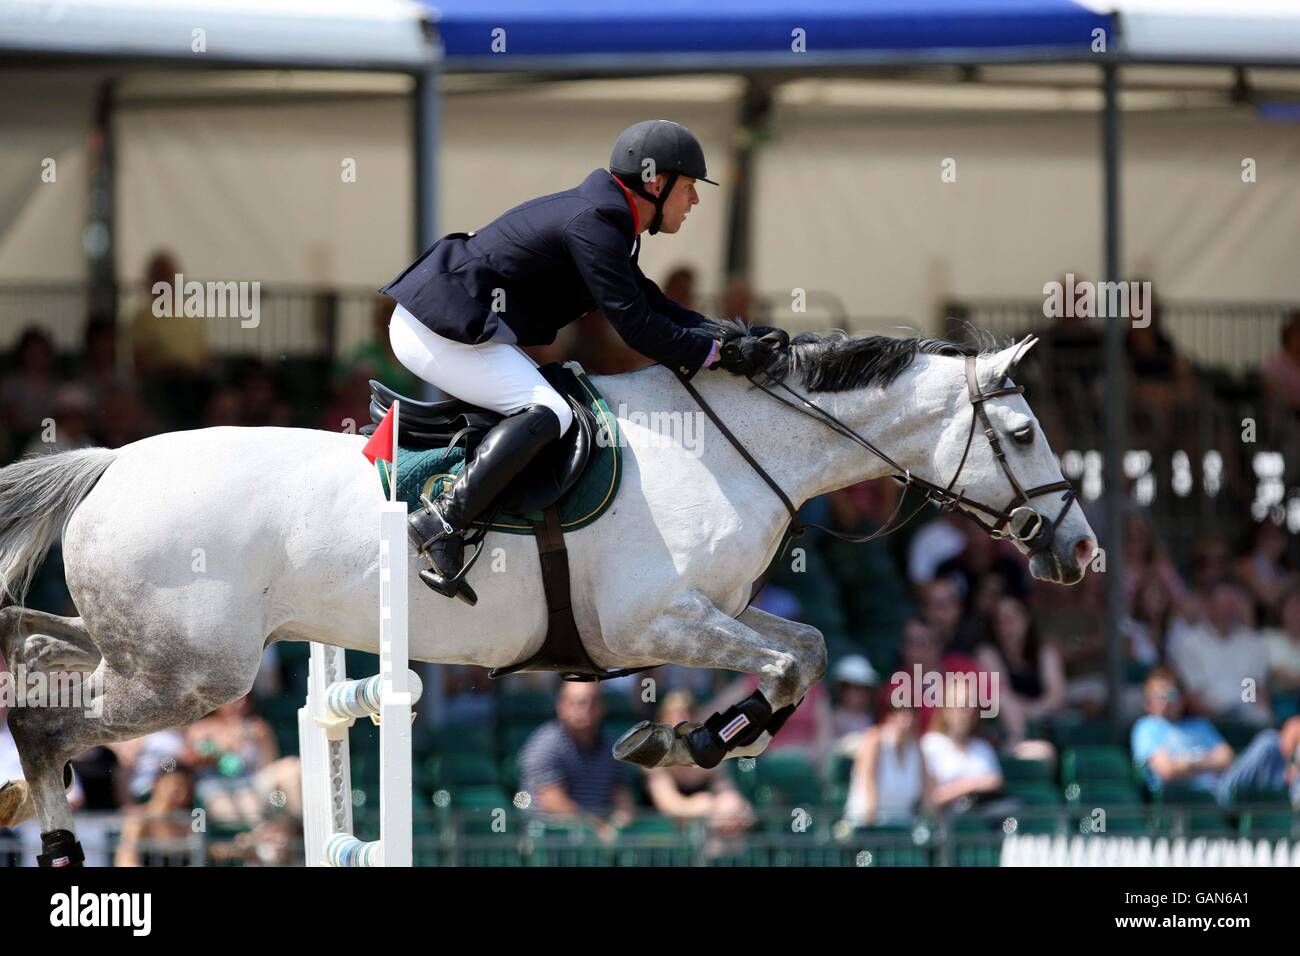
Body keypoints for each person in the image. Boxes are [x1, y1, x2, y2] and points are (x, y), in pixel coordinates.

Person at [384, 121, 770, 603]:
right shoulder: (595, 223)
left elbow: (650, 300)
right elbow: (637, 326)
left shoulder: (611, 221)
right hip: (434, 327)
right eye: (689, 188)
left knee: (551, 405)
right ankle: (442, 520)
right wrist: (717, 355)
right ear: (656, 182)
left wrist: (732, 336)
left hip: (455, 324)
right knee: (549, 411)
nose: (694, 201)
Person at [1131, 667, 1300, 808]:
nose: (1166, 701)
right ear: (1148, 701)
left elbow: (1227, 758)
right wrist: (1208, 762)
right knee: (1268, 741)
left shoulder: (1198, 725)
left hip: (1224, 785)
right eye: (1159, 696)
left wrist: (1187, 763)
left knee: (1280, 753)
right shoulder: (1147, 727)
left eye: (1172, 695)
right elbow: (1166, 771)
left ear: (1182, 699)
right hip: (1191, 796)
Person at [518, 682, 637, 843]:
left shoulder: (613, 746)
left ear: (602, 707)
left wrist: (620, 822)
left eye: (593, 702)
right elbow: (553, 802)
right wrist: (598, 828)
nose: (586, 709)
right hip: (552, 842)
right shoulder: (544, 745)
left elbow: (622, 795)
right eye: (579, 702)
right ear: (561, 706)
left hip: (597, 841)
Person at [642, 691, 754, 836]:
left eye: (688, 715)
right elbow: (668, 806)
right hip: (666, 831)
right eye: (675, 716)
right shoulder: (653, 757)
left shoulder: (709, 753)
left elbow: (726, 790)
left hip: (712, 823)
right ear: (663, 722)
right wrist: (703, 805)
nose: (682, 722)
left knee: (731, 808)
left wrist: (733, 806)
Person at [1166, 578, 1272, 726]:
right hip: (1209, 716)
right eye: (1224, 604)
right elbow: (1192, 696)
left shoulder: (1253, 643)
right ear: (1209, 606)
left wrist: (1247, 710)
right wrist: (1221, 717)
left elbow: (1254, 690)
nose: (1229, 609)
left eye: (1232, 604)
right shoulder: (1189, 642)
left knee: (1263, 718)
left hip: (1244, 713)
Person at [974, 596, 1067, 746]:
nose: (1008, 626)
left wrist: (1030, 711)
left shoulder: (1045, 651)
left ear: (1026, 619)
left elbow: (1056, 696)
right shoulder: (987, 653)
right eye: (1001, 621)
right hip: (1004, 727)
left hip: (1045, 723)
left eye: (1013, 618)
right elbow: (1001, 695)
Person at [844, 697, 931, 827]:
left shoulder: (918, 749)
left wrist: (929, 820)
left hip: (904, 826)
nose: (908, 722)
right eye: (902, 714)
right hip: (866, 826)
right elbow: (868, 781)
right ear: (890, 717)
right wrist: (871, 819)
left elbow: (926, 793)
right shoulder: (874, 740)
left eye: (911, 715)